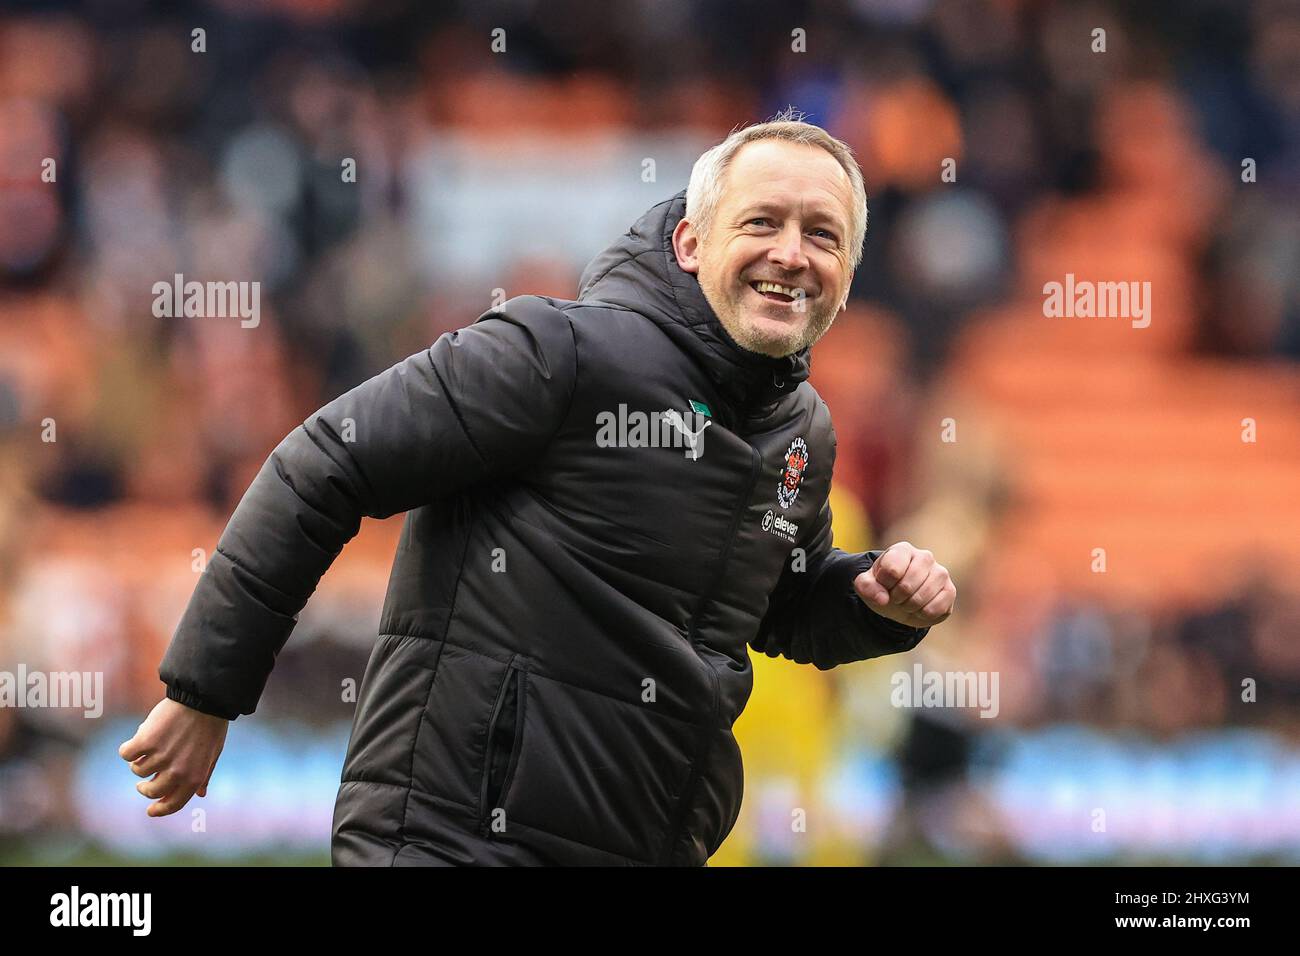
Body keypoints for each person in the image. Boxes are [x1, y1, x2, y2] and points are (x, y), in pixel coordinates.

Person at [119, 109, 957, 866]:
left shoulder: (801, 431)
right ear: (692, 243)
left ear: (848, 272)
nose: (791, 254)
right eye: (763, 222)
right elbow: (323, 462)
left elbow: (778, 606)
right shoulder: (556, 352)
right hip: (450, 844)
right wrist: (205, 693)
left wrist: (868, 601)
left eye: (823, 235)